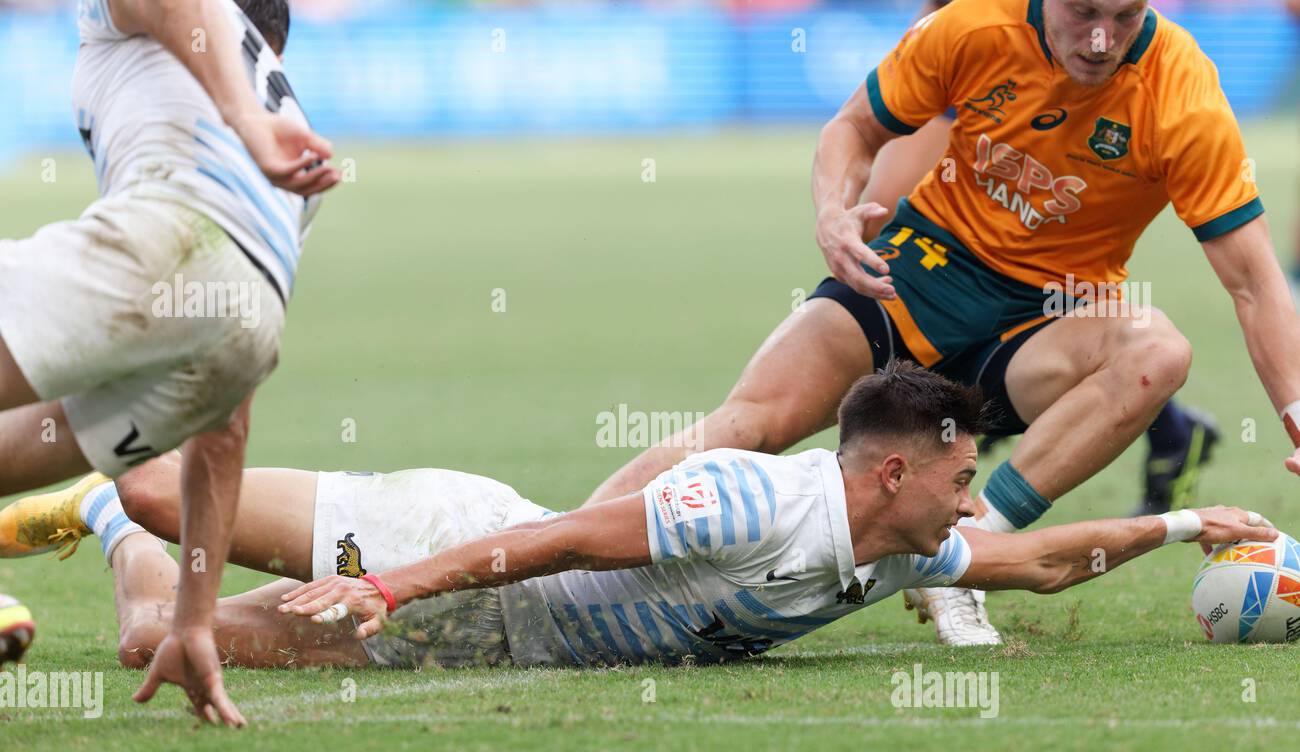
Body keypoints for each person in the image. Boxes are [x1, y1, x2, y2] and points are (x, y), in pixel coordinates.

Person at [584, 0, 1300, 650]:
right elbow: (855, 127)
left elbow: (1253, 279)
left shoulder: (1183, 92)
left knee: (1158, 350)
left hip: (1044, 319)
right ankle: (553, 548)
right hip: (913, 275)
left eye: (1122, 15)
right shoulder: (971, 26)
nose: (1102, 38)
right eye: (1083, 13)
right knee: (750, 426)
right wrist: (834, 210)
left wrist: (1298, 414)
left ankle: (963, 559)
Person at [0, 363, 1269, 670]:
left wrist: (1179, 525)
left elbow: (1038, 563)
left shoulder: (906, 546)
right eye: (958, 473)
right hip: (439, 551)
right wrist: (388, 587)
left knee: (150, 642)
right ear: (890, 471)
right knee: (166, 483)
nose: (968, 497)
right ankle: (101, 484)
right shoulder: (743, 502)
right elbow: (548, 540)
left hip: (481, 635)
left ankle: (101, 521)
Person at [0, 0, 341, 725]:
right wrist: (192, 619)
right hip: (240, 333)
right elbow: (229, 420)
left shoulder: (225, 82)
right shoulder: (289, 137)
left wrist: (246, 121)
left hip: (177, 241)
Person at [865, 0, 1220, 518]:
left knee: (1041, 272)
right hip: (977, 63)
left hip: (1019, 81)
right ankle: (1171, 432)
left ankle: (1160, 430)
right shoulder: (966, 30)